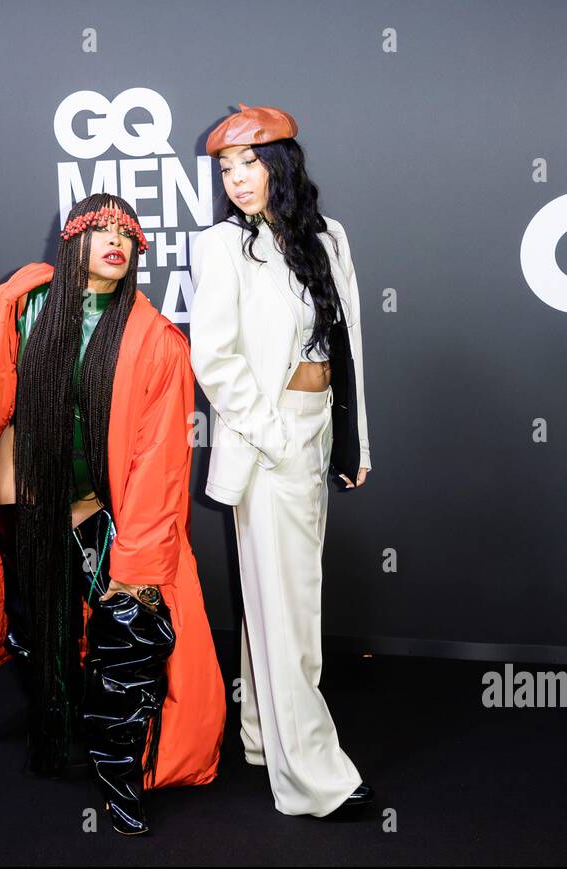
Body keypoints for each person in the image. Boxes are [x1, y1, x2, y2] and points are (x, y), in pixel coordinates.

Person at [0, 193, 225, 835]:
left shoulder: (157, 340)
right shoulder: (30, 308)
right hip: (29, 502)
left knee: (128, 638)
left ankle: (119, 773)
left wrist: (137, 552)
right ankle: (55, 733)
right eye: (98, 228)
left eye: (127, 233)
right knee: (38, 629)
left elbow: (161, 457)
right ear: (71, 241)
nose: (115, 239)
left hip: (103, 505)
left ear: (139, 252)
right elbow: (3, 382)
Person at [189, 103, 375, 818]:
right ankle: (314, 781)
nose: (237, 179)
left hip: (318, 425)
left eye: (251, 162)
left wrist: (354, 440)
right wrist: (272, 434)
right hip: (271, 441)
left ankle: (264, 736)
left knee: (277, 597)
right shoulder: (220, 246)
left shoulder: (328, 238)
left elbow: (350, 344)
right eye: (227, 168)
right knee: (292, 607)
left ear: (284, 163)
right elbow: (215, 358)